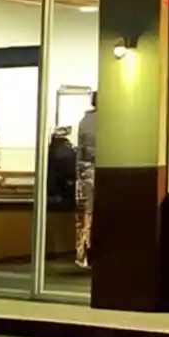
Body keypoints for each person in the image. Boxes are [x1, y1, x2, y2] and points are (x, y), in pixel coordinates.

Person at [74, 92, 97, 269]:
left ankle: (83, 254)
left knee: (86, 216)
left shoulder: (84, 121)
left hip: (84, 174)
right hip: (98, 172)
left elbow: (80, 151)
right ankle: (92, 253)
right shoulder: (107, 121)